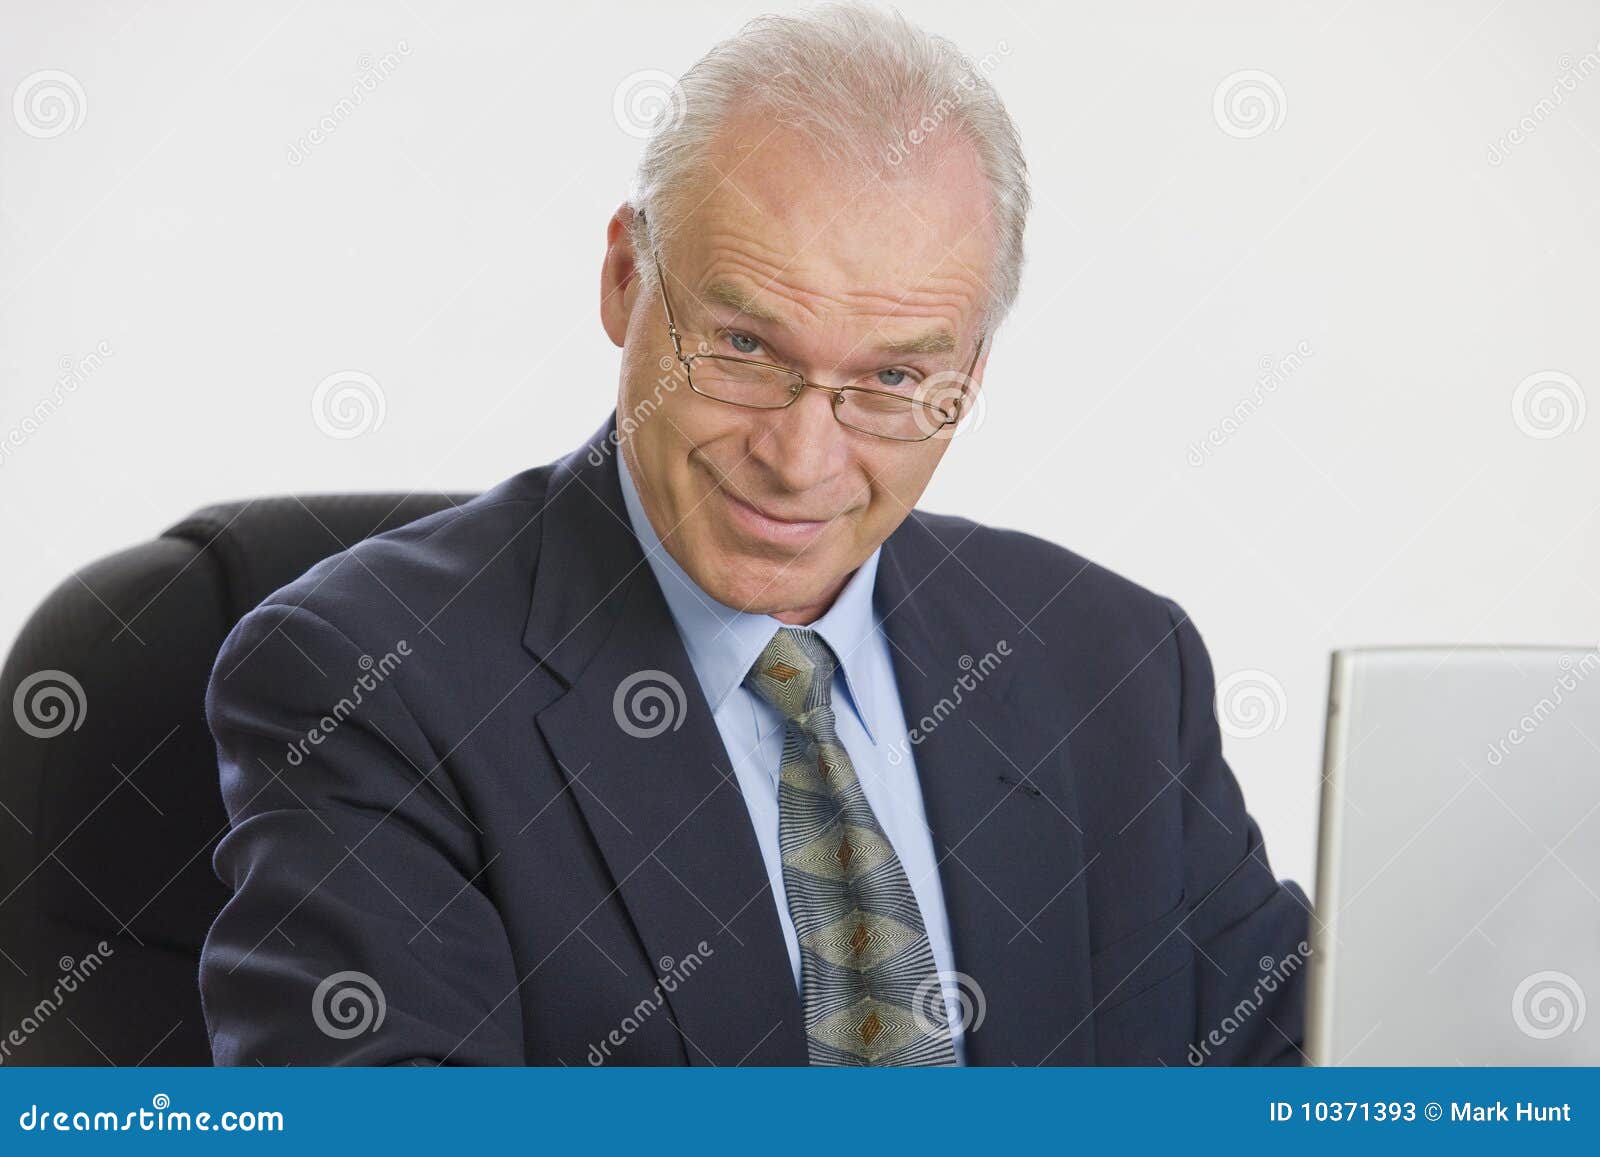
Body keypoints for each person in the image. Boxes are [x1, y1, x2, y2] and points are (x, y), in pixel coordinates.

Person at [200, 2, 1310, 1066]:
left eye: (891, 379)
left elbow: (1306, 1074)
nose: (800, 458)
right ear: (625, 279)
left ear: (969, 377)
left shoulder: (1111, 662)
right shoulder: (369, 681)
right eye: (742, 347)